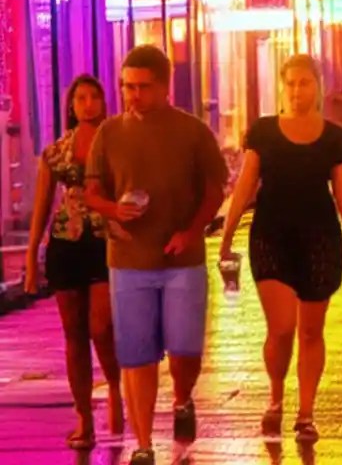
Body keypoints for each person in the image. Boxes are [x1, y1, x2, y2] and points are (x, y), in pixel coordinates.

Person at [83, 45, 228, 465]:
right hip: (128, 260)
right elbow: (92, 193)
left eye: (143, 87)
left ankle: (183, 398)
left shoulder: (192, 131)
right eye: (127, 87)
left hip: (182, 260)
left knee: (185, 350)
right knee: (136, 355)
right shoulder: (109, 134)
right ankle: (143, 444)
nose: (134, 95)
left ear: (165, 87)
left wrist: (191, 231)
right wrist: (114, 210)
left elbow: (214, 190)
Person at [218, 54, 342, 442]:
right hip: (271, 236)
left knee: (311, 331)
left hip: (320, 238)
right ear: (282, 87)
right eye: (291, 83)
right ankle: (274, 396)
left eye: (305, 83)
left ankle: (305, 412)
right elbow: (246, 185)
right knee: (282, 327)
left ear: (317, 86)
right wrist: (226, 235)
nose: (298, 90)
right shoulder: (264, 132)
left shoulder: (334, 137)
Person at [24, 75, 123, 451]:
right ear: (70, 105)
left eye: (94, 97)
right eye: (80, 97)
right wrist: (33, 255)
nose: (87, 104)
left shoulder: (115, 144)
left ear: (103, 102)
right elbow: (42, 206)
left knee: (101, 326)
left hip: (102, 243)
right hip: (65, 244)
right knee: (73, 335)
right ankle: (83, 415)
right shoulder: (56, 152)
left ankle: (114, 385)